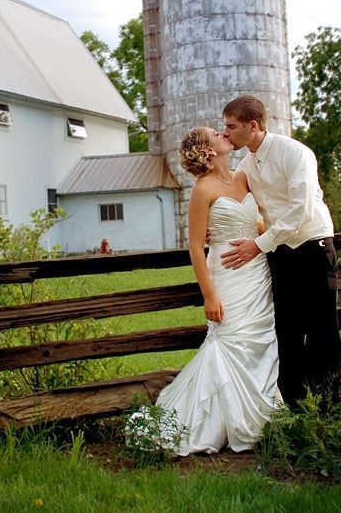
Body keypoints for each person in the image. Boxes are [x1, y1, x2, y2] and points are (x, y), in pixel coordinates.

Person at [136, 126, 281, 456]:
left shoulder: (243, 177)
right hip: (226, 276)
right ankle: (211, 423)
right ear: (208, 149)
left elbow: (257, 224)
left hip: (257, 273)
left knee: (262, 338)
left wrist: (272, 238)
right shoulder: (202, 190)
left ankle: (263, 416)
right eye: (217, 133)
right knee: (230, 340)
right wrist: (209, 295)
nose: (224, 132)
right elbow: (195, 247)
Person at [220, 95, 340, 408]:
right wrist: (220, 226)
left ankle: (325, 408)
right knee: (286, 331)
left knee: (322, 329)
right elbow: (244, 208)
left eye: (231, 126)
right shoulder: (246, 165)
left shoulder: (295, 153)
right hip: (280, 253)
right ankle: (296, 407)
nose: (226, 133)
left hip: (314, 247)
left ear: (253, 125)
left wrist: (256, 246)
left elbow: (301, 210)